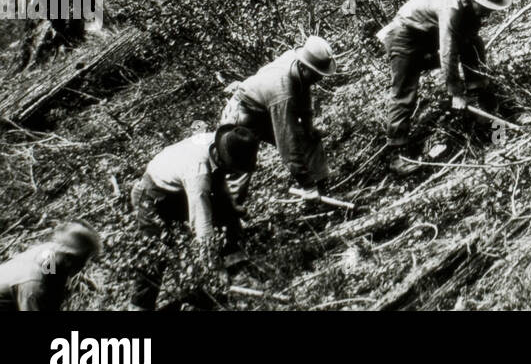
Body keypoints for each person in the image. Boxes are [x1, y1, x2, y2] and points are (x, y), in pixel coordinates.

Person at [376, 0, 509, 166]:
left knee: (474, 44)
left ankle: (484, 112)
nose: (488, 13)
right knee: (404, 92)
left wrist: (473, 82)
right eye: (485, 8)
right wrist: (455, 92)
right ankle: (397, 154)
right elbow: (448, 51)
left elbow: (466, 39)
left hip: (428, 34)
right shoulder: (452, 7)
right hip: (404, 37)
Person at [128, 125, 260, 311]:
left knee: (226, 213)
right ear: (224, 160)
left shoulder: (224, 142)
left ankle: (237, 270)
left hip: (178, 187)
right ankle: (139, 306)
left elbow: (219, 184)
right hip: (152, 196)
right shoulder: (198, 172)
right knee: (156, 252)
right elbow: (202, 228)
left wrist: (232, 207)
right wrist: (213, 268)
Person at [219, 35, 335, 199]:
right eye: (316, 73)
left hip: (263, 107)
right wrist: (306, 184)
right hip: (243, 114)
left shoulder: (298, 63)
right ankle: (229, 216)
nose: (320, 78)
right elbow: (287, 143)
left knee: (309, 137)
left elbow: (304, 93)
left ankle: (323, 188)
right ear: (303, 67)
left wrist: (309, 128)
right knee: (240, 167)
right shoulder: (282, 92)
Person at [0, 221, 101, 312]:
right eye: (84, 259)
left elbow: (53, 294)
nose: (84, 265)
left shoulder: (53, 255)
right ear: (70, 258)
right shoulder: (33, 281)